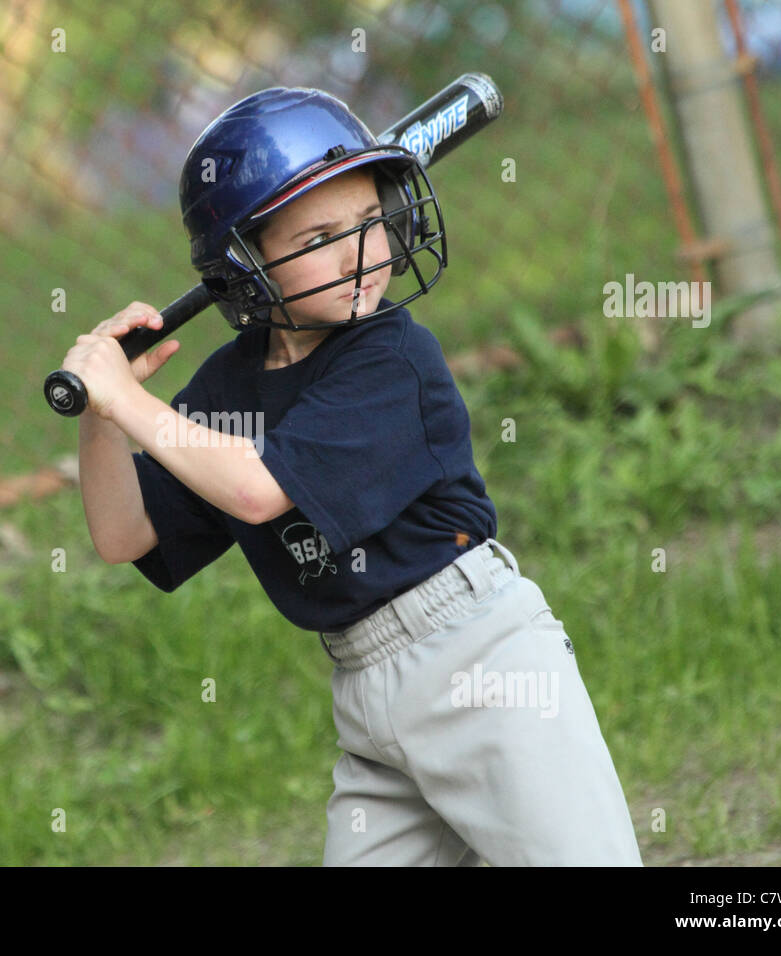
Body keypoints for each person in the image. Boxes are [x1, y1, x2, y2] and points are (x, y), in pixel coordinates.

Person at [60, 87, 642, 866]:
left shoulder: (392, 358)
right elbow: (121, 533)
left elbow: (256, 490)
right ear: (244, 263)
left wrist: (129, 400)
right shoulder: (229, 389)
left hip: (480, 663)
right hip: (365, 694)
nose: (362, 254)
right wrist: (101, 414)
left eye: (370, 223)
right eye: (321, 236)